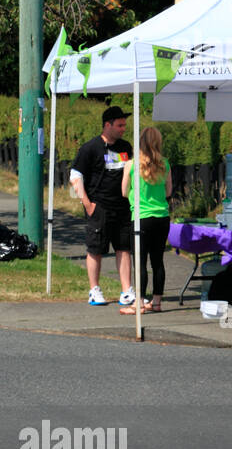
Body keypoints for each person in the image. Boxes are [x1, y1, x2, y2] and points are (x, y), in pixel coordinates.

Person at [70, 105, 136, 308]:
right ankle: (94, 290)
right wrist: (88, 205)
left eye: (124, 125)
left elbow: (132, 172)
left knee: (124, 248)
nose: (123, 128)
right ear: (107, 125)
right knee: (96, 249)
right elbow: (75, 177)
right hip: (99, 207)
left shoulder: (125, 147)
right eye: (119, 125)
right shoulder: (90, 148)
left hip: (123, 207)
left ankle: (126, 290)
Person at [120, 126, 173, 314]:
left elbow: (124, 192)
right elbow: (168, 192)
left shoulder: (132, 165)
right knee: (157, 261)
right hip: (161, 217)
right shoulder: (165, 164)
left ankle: (139, 303)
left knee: (140, 262)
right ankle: (156, 302)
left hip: (141, 217)